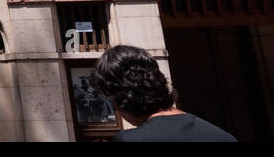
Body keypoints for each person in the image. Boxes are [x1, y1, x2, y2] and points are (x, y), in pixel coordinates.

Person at [92, 45, 237, 141]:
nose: (115, 108)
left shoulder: (129, 140)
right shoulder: (222, 137)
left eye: (112, 99)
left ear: (122, 98)